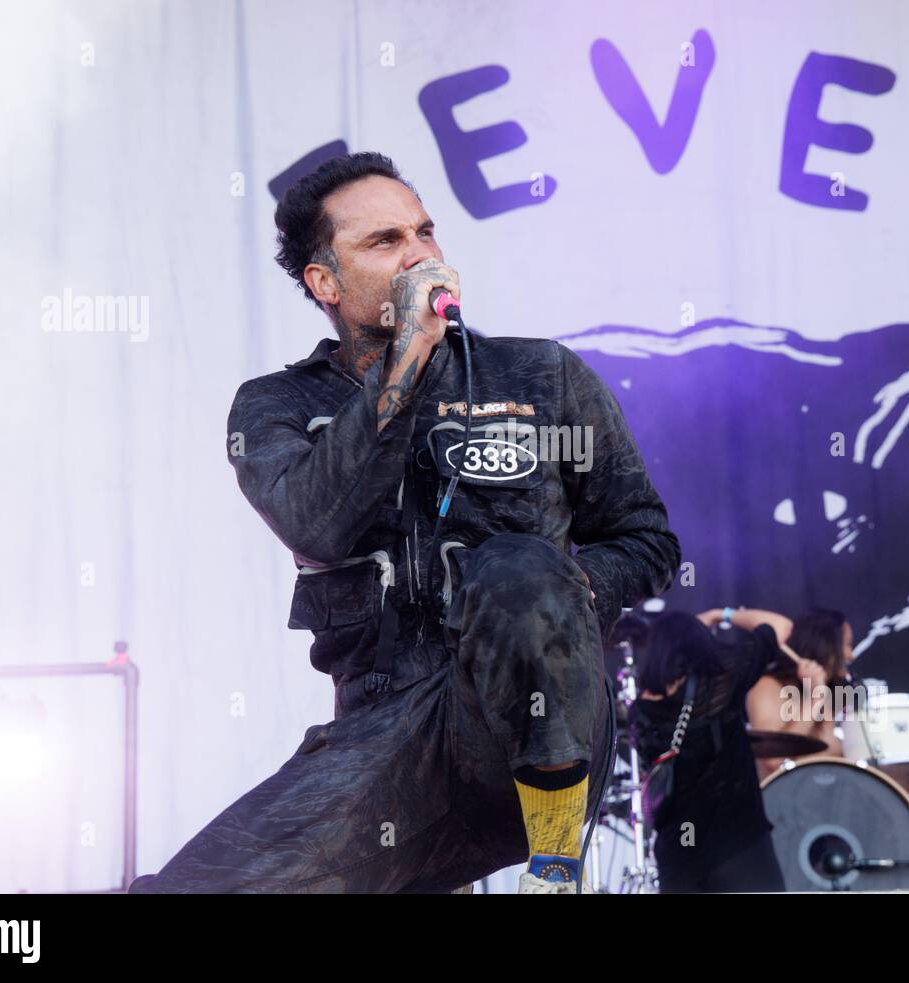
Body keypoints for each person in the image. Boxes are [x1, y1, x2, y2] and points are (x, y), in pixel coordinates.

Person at [128, 152, 680, 893]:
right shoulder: (275, 407)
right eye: (385, 241)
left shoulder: (541, 376)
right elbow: (315, 524)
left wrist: (556, 595)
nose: (420, 253)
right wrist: (406, 360)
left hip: (527, 726)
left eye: (425, 232)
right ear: (325, 281)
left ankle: (555, 867)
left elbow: (646, 538)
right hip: (382, 739)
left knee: (519, 567)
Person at [629, 609, 790, 892]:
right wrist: (720, 614)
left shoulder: (640, 712)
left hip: (677, 858)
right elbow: (780, 625)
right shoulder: (723, 681)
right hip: (738, 847)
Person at [747, 608, 855, 780]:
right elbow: (773, 760)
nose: (851, 656)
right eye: (847, 645)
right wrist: (815, 698)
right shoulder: (768, 687)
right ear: (825, 647)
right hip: (784, 800)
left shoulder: (834, 696)